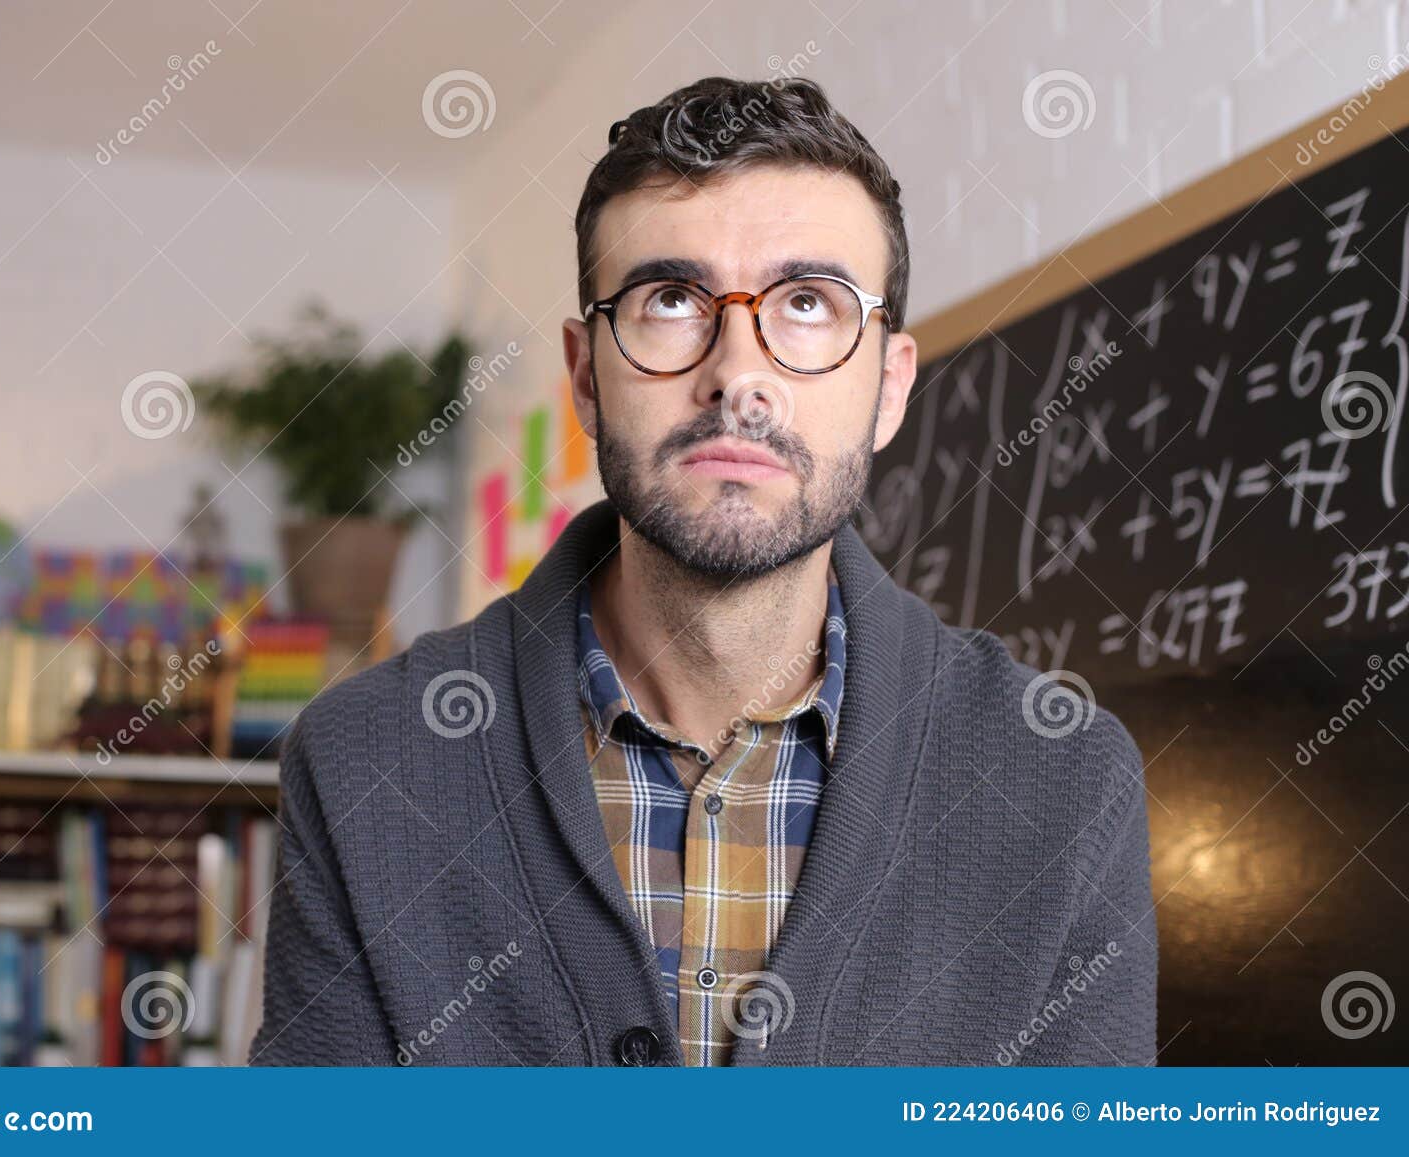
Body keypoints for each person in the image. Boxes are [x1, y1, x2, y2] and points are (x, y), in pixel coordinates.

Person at [250, 75, 1156, 1067]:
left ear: (889, 386)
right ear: (587, 376)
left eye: (807, 302)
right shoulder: (366, 760)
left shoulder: (1060, 776)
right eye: (672, 298)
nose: (736, 370)